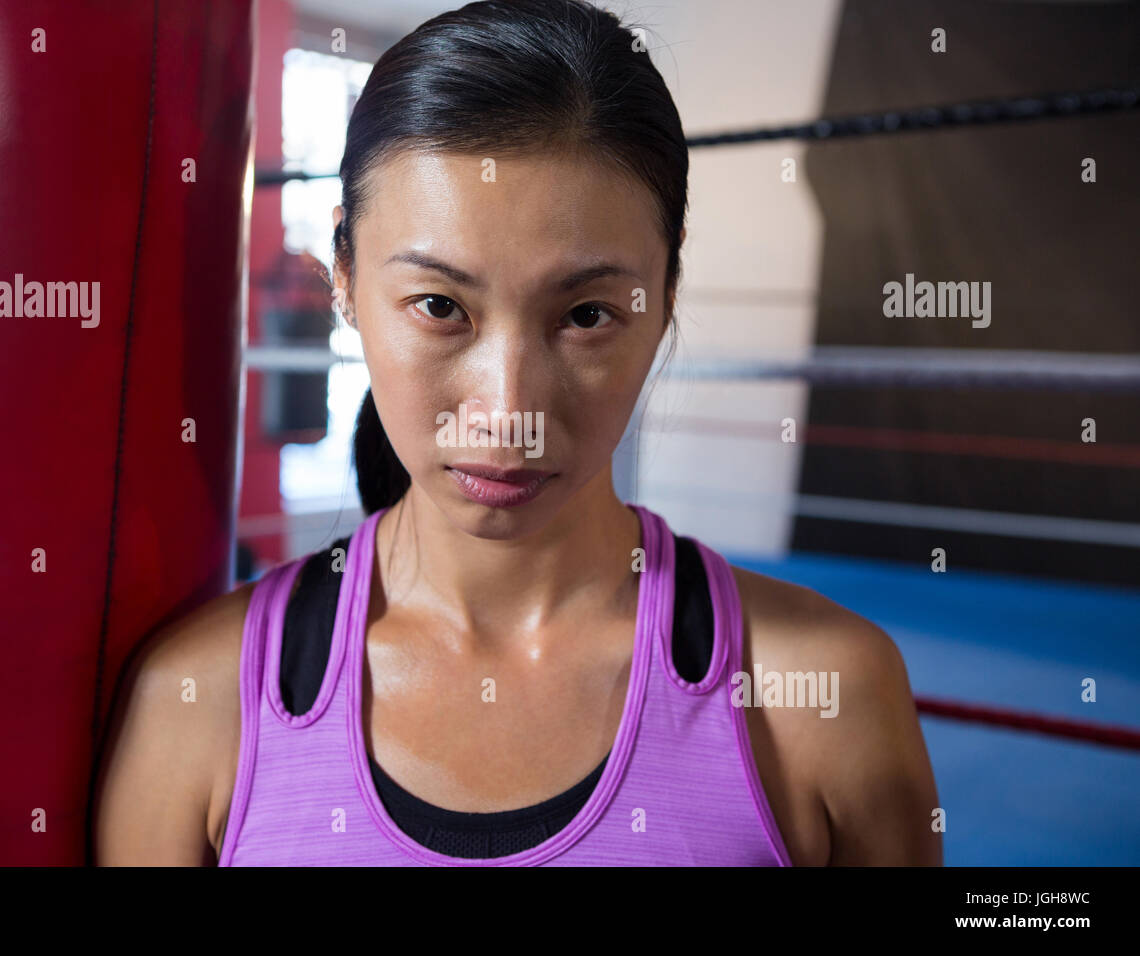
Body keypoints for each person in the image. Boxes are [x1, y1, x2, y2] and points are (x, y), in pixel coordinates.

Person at [93, 0, 941, 866]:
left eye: (585, 314)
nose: (509, 412)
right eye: (438, 306)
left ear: (667, 294)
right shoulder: (195, 706)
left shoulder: (826, 699)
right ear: (343, 279)